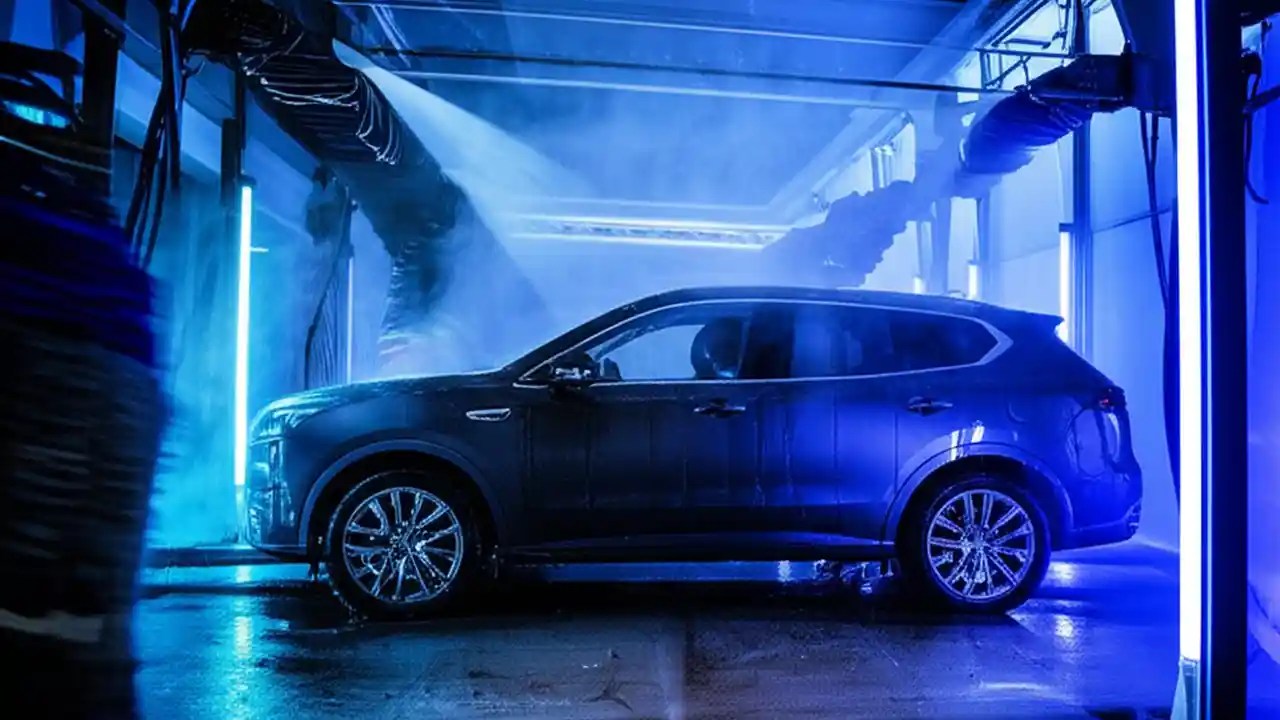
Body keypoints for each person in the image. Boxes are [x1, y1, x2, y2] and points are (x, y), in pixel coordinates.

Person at [0, 46, 165, 719]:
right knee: (84, 631)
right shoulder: (67, 206)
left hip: (40, 359)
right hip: (120, 371)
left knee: (35, 625)